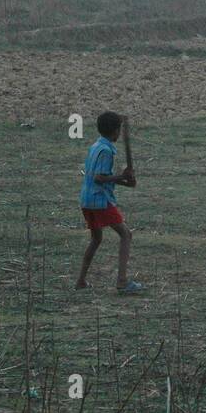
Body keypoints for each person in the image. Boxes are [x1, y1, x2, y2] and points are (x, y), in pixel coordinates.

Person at [76, 111, 144, 293]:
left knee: (96, 239)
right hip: (100, 200)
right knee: (126, 235)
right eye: (119, 130)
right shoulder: (106, 151)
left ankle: (81, 281)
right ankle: (122, 281)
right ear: (115, 131)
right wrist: (122, 176)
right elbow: (99, 178)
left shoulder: (96, 146)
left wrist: (125, 181)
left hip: (86, 199)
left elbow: (101, 177)